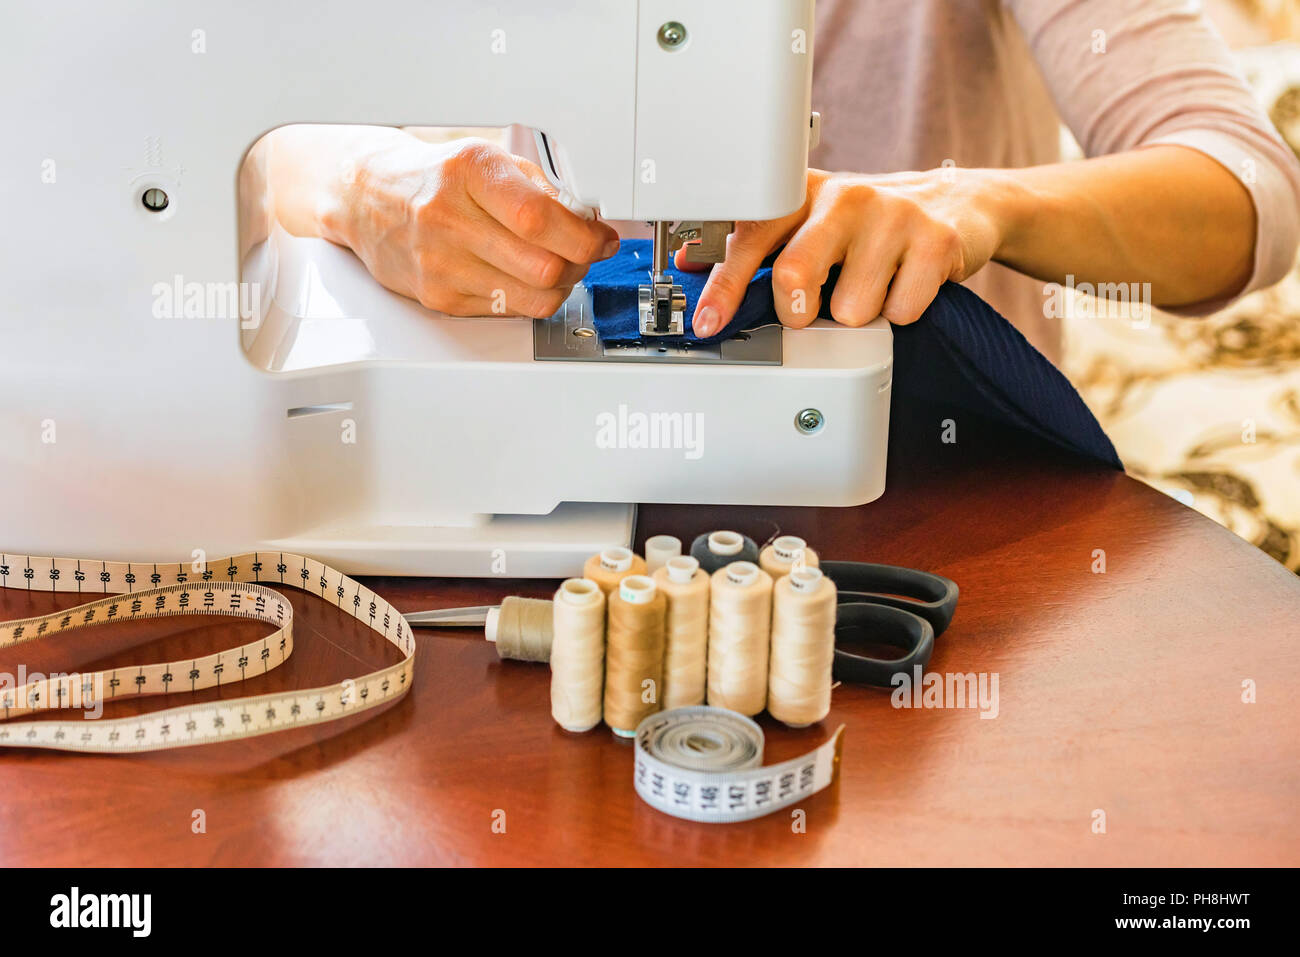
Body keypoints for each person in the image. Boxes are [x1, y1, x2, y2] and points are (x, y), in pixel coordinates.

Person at [262, 0, 1300, 365]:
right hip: (559, 458)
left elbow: (1245, 194)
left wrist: (973, 203)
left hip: (935, 481)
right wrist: (358, 178)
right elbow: (262, 134)